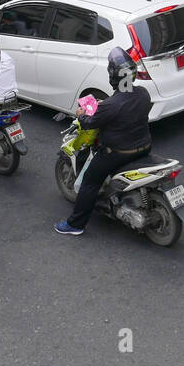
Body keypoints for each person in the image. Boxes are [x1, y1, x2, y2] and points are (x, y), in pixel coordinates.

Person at [55, 47, 152, 236]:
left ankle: (75, 225)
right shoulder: (143, 93)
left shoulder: (111, 105)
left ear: (113, 77)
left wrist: (82, 115)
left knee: (90, 182)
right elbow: (126, 110)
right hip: (145, 146)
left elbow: (90, 123)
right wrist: (103, 107)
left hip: (117, 153)